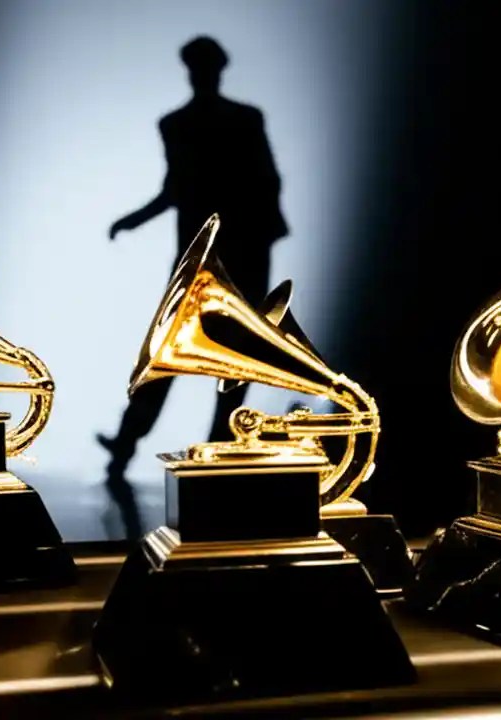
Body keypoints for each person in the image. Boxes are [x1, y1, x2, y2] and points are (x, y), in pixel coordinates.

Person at [98, 36, 288, 538]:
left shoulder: (182, 123)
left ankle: (137, 446)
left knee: (196, 354)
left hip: (220, 253)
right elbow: (261, 181)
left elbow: (180, 189)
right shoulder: (232, 120)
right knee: (222, 356)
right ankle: (196, 449)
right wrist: (134, 220)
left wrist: (134, 220)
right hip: (233, 253)